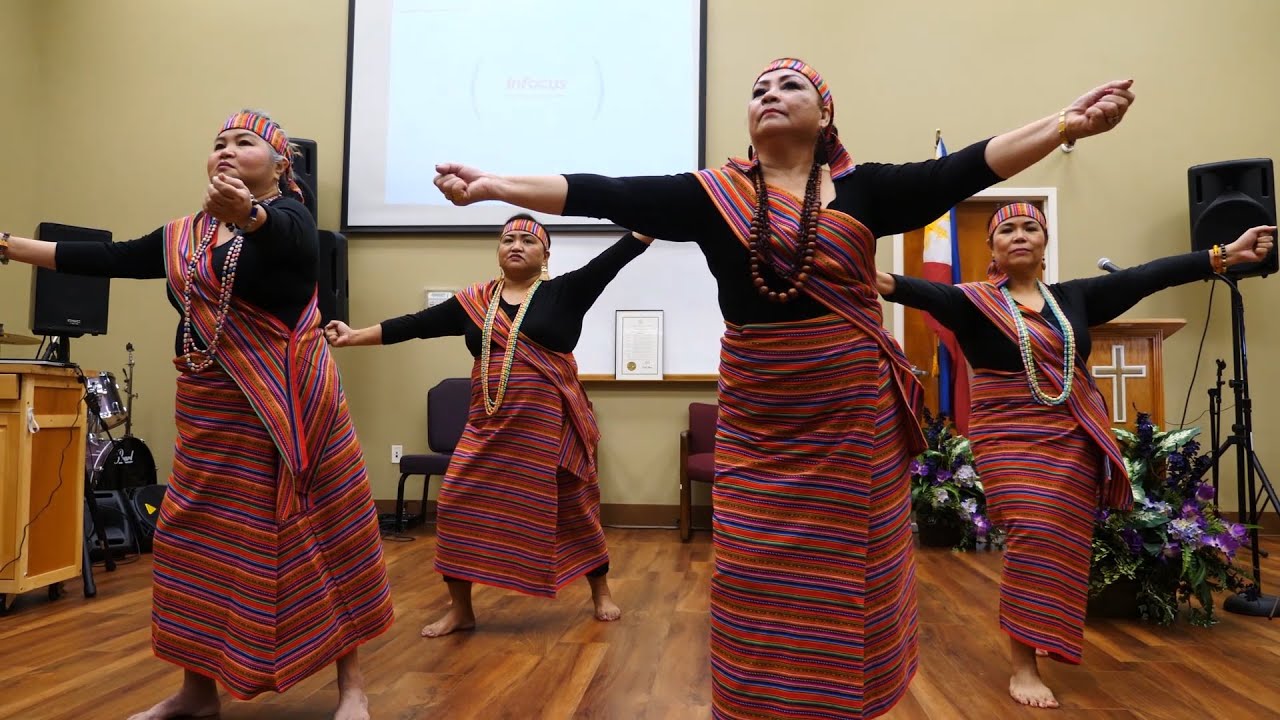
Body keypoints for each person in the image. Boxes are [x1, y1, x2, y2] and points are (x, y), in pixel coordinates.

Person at [428, 58, 1134, 719]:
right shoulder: (711, 196)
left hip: (851, 423)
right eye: (759, 88)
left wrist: (1065, 124)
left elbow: (965, 169)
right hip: (760, 424)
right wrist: (493, 185)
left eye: (790, 85)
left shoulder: (869, 191)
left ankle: (848, 701)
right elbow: (599, 191)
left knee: (851, 579)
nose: (770, 93)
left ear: (825, 115)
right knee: (752, 579)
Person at [0, 110, 392, 720]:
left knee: (320, 531)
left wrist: (250, 215)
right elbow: (110, 257)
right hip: (211, 413)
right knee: (189, 541)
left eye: (244, 142)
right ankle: (197, 692)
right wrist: (9, 246)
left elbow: (286, 240)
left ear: (281, 164)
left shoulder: (289, 217)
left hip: (290, 410)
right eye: (218, 145)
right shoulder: (186, 236)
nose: (227, 151)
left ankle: (352, 687)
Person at [875, 202, 1275, 709]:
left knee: (1061, 542)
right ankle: (1023, 664)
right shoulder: (971, 301)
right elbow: (901, 286)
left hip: (1070, 440)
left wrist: (1222, 255)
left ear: (1044, 244)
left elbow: (1148, 276)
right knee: (1033, 532)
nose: (1019, 235)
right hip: (1009, 442)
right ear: (992, 248)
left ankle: (1039, 623)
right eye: (1006, 230)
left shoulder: (1074, 299)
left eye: (1030, 227)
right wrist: (850, 267)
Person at [325, 215, 652, 637]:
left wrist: (651, 221)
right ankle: (461, 609)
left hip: (549, 428)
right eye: (507, 239)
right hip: (488, 424)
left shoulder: (566, 291)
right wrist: (354, 336)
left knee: (574, 508)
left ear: (545, 254)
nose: (516, 245)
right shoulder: (474, 302)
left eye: (527, 241)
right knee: (457, 502)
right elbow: (415, 325)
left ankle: (600, 592)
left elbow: (617, 256)